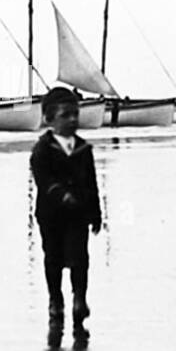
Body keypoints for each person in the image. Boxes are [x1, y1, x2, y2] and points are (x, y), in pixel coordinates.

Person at [30, 87, 102, 325]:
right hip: (51, 215)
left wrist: (96, 213)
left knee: (80, 257)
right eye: (65, 115)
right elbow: (43, 180)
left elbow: (91, 183)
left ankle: (79, 299)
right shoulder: (42, 149)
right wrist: (61, 195)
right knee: (53, 257)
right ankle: (55, 299)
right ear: (49, 119)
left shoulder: (83, 149)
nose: (72, 120)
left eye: (75, 114)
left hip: (78, 214)